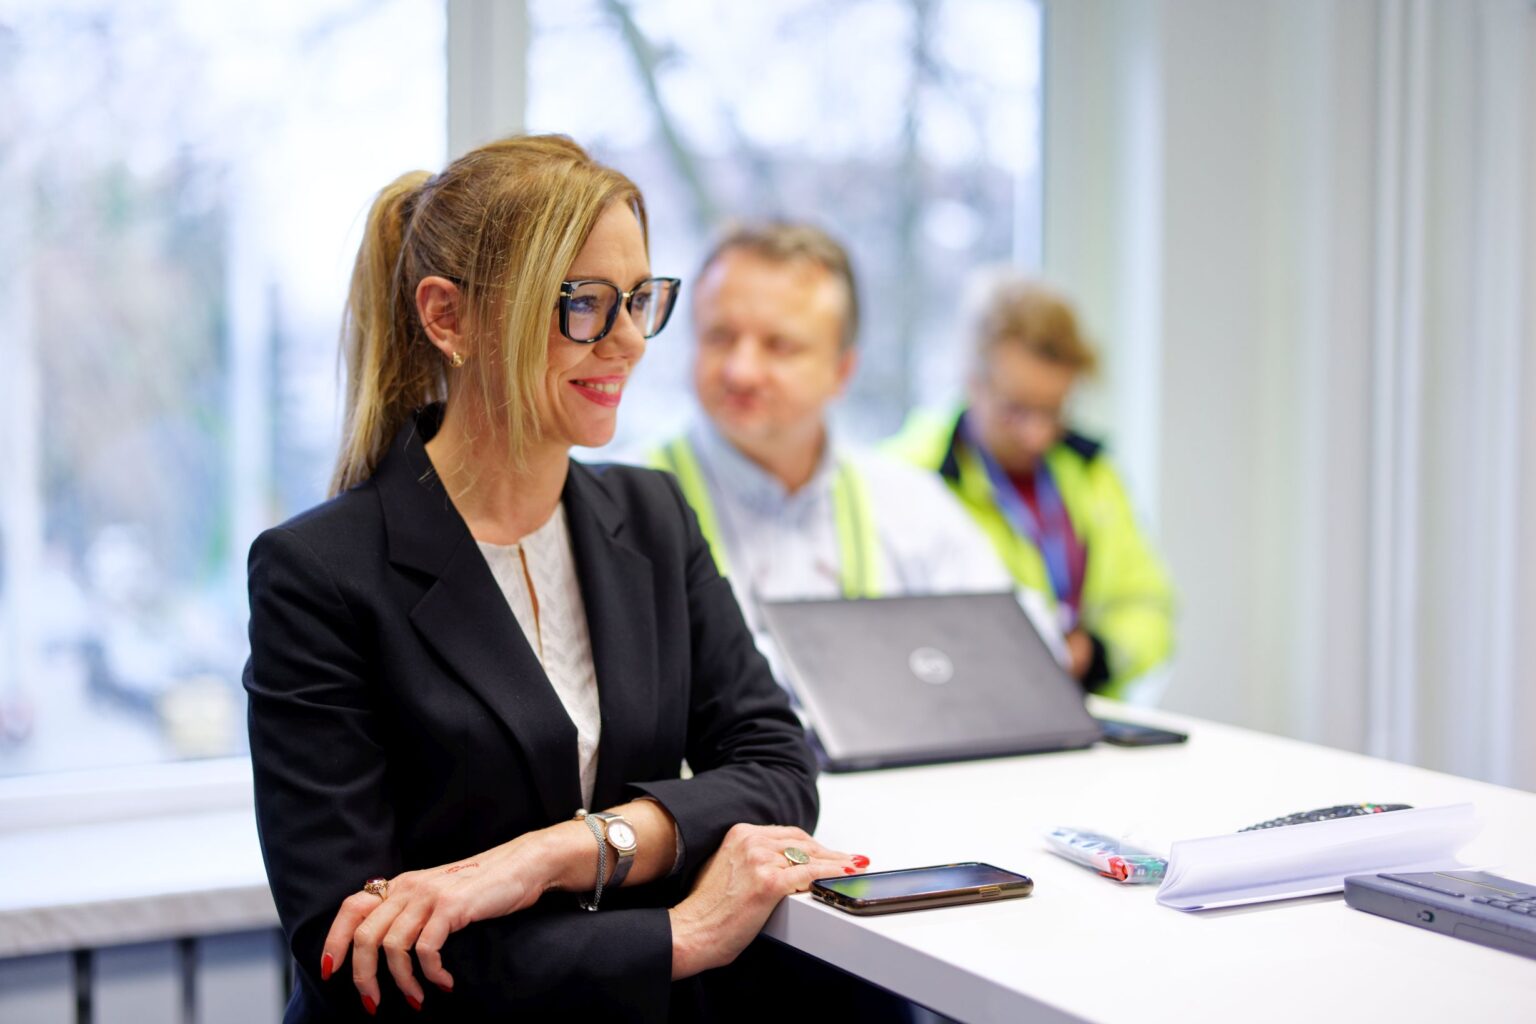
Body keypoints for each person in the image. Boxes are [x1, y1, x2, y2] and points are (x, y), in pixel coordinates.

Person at [243, 136, 865, 1023]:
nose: (628, 342)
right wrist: (680, 935)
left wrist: (553, 854)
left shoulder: (651, 516)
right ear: (447, 318)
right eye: (582, 304)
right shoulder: (318, 573)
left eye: (638, 301)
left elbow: (776, 764)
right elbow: (355, 957)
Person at [648, 223, 1028, 644]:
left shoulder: (913, 510)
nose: (742, 371)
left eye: (779, 345)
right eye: (719, 337)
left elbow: (1017, 651)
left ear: (842, 371)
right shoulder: (620, 509)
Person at [888, 273, 1175, 699]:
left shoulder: (1091, 473)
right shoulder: (908, 478)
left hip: (1078, 706)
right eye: (1016, 411)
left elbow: (1148, 608)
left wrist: (1093, 655)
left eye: (1054, 411)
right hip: (956, 708)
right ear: (973, 382)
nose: (1037, 435)